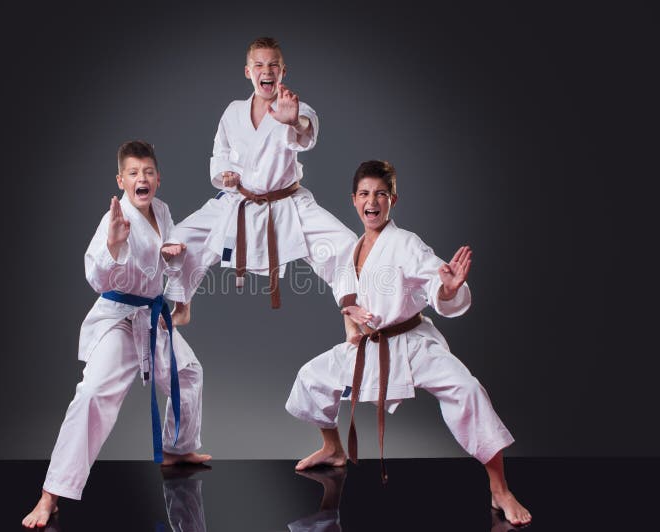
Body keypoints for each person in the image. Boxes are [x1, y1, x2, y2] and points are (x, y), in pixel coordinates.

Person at [285, 160, 531, 526]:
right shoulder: (352, 249)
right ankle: (334, 448)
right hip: (372, 346)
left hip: (413, 342)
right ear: (353, 200)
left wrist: (447, 288)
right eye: (365, 194)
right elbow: (345, 290)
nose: (373, 201)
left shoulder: (405, 243)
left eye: (380, 194)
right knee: (311, 377)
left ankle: (500, 489)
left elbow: (434, 278)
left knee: (468, 390)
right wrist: (350, 314)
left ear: (392, 200)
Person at [22, 140, 211, 528]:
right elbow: (97, 275)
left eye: (148, 172)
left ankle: (178, 449)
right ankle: (50, 495)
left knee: (188, 373)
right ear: (121, 180)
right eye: (133, 173)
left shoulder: (162, 210)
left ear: (158, 178)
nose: (141, 178)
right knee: (92, 394)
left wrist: (179, 296)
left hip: (152, 315)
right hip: (120, 318)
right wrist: (113, 244)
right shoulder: (115, 218)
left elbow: (171, 263)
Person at [161, 36, 356, 313]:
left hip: (287, 203)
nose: (267, 71)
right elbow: (220, 152)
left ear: (282, 72)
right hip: (239, 200)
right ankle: (181, 305)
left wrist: (294, 120)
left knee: (346, 243)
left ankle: (351, 311)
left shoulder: (292, 106)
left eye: (274, 65)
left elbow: (306, 132)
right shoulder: (233, 111)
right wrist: (225, 174)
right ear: (248, 71)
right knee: (179, 238)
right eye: (259, 65)